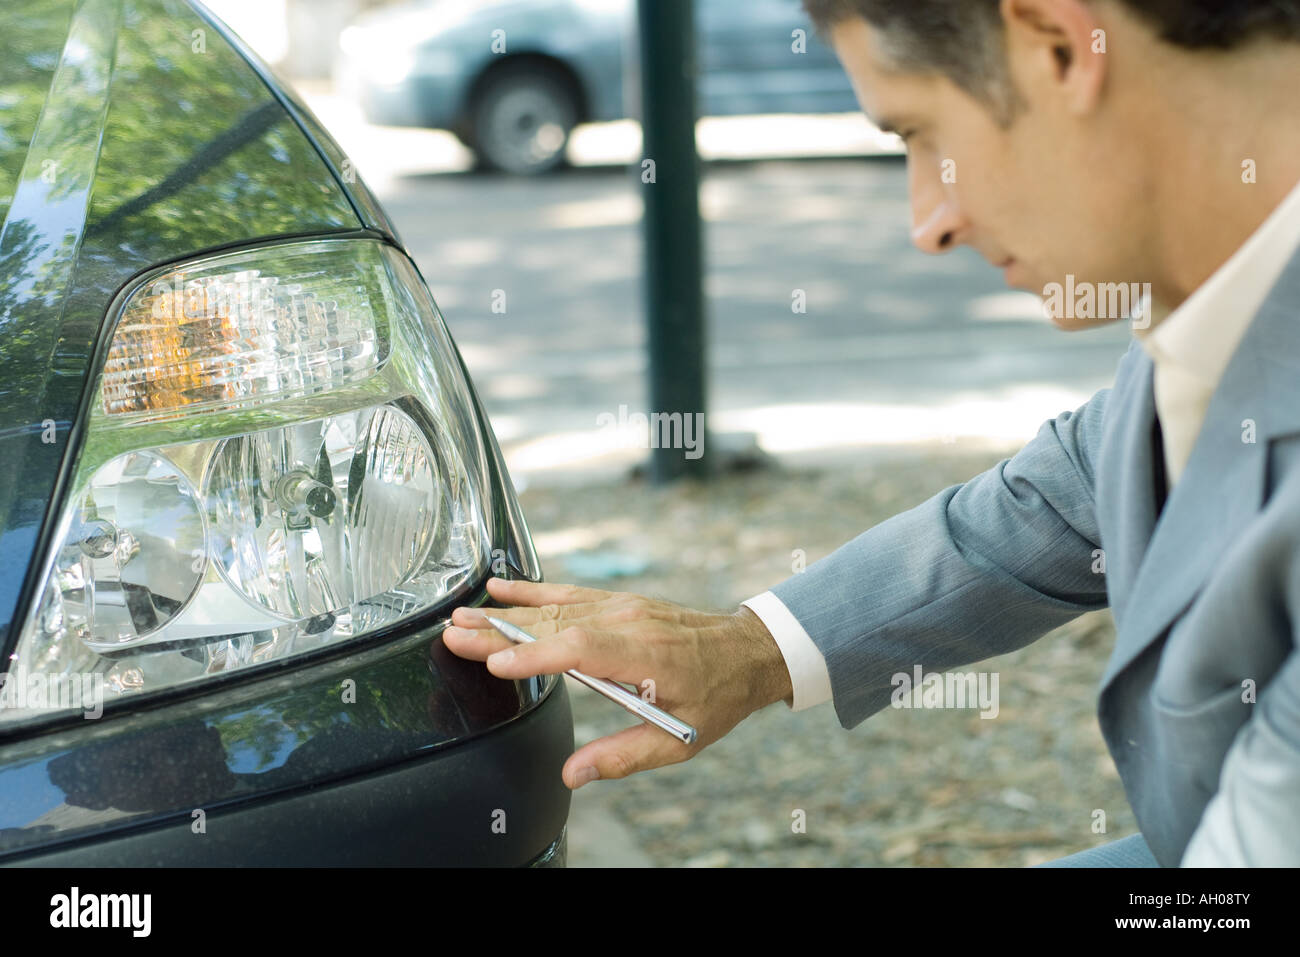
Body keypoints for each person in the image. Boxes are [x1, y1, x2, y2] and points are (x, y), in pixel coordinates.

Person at [445, 0, 1300, 867]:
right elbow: (1083, 487)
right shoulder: (1219, 291)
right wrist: (747, 650)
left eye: (923, 136)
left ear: (1057, 45)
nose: (930, 223)